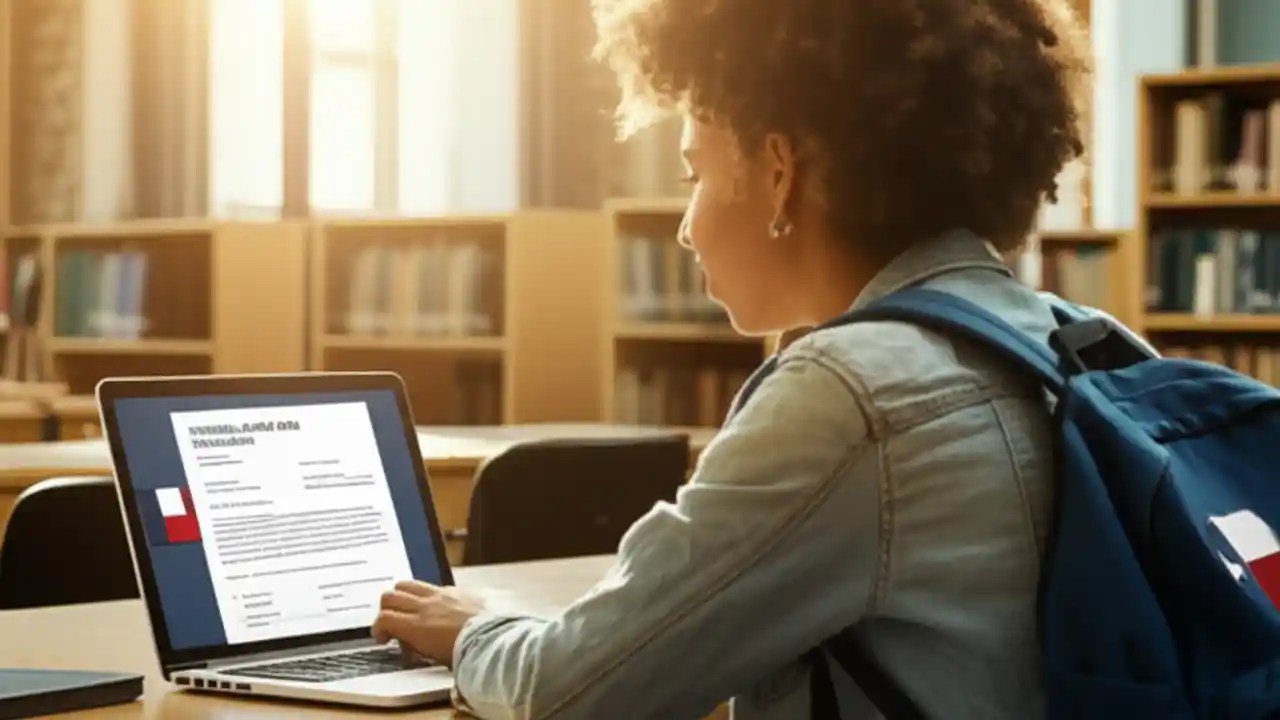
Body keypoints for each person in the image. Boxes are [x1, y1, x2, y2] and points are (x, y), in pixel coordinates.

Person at [372, 0, 1092, 717]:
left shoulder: (848, 396)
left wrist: (473, 630)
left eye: (695, 176)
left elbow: (567, 694)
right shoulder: (1080, 341)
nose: (686, 230)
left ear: (779, 174)